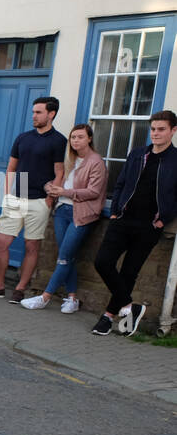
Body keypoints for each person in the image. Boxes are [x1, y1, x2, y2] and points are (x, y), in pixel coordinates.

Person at [88, 110, 177, 336]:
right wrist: (116, 211)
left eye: (161, 129)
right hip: (123, 220)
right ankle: (130, 306)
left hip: (150, 226)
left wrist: (162, 220)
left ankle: (108, 317)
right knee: (102, 262)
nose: (155, 134)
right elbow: (121, 183)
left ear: (173, 131)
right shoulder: (137, 154)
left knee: (129, 272)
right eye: (153, 129)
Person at [0, 97, 65, 302]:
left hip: (40, 200)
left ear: (51, 114)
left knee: (32, 245)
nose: (34, 116)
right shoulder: (23, 137)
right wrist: (7, 194)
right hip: (16, 197)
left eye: (39, 112)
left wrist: (50, 199)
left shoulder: (58, 140)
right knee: (0, 242)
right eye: (33, 112)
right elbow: (11, 167)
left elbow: (59, 171)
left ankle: (20, 289)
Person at [20, 124, 105, 312]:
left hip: (81, 214)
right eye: (73, 137)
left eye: (80, 137)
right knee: (68, 256)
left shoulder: (96, 161)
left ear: (89, 138)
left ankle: (45, 297)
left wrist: (64, 191)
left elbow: (94, 191)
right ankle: (72, 298)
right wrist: (49, 187)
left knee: (64, 257)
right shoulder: (70, 160)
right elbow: (59, 182)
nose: (75, 141)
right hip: (61, 211)